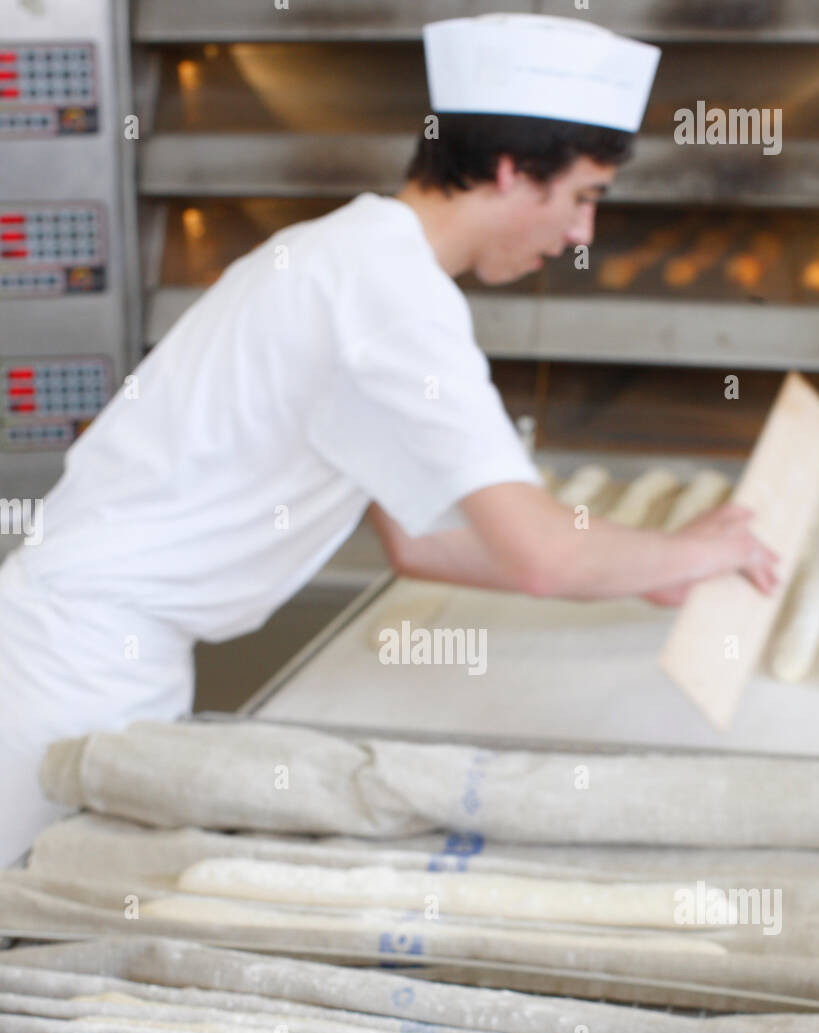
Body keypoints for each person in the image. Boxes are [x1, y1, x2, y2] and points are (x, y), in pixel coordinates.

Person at [0, 14, 777, 866]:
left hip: (104, 651)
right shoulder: (391, 295)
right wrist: (689, 552)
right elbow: (542, 554)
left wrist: (644, 573)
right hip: (69, 677)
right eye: (585, 195)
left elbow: (422, 541)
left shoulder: (346, 255)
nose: (583, 235)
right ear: (515, 172)